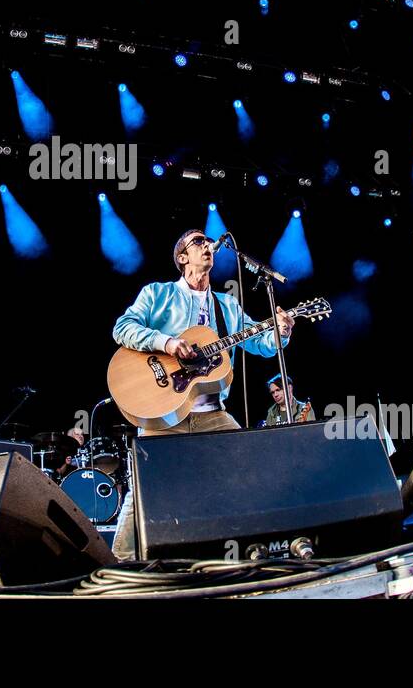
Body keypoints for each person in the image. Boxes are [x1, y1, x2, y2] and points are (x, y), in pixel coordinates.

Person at [109, 228, 296, 559]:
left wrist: (281, 332)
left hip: (213, 414)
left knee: (251, 465)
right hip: (164, 409)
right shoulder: (157, 293)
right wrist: (167, 343)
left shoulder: (227, 305)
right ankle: (117, 564)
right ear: (182, 258)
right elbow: (122, 328)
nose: (207, 245)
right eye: (198, 242)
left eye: (207, 241)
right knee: (145, 486)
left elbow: (261, 345)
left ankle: (260, 550)